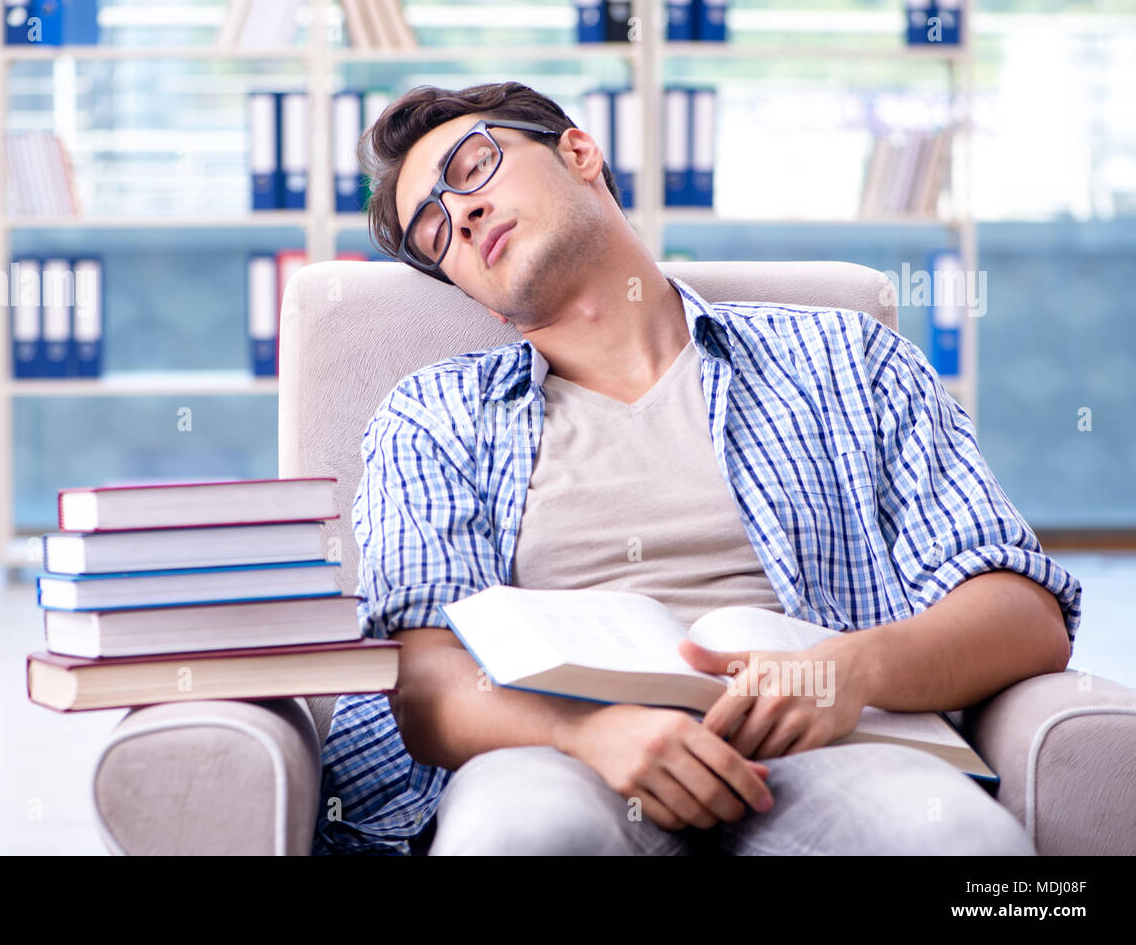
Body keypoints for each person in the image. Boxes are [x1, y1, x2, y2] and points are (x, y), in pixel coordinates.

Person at [311, 81, 1081, 856]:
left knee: (961, 844)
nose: (463, 215)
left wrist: (850, 670)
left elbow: (1024, 614)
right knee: (518, 834)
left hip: (831, 744)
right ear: (479, 297)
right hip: (563, 756)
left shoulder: (847, 357)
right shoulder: (432, 416)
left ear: (580, 152)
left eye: (475, 166)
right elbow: (427, 685)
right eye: (435, 230)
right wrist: (588, 733)